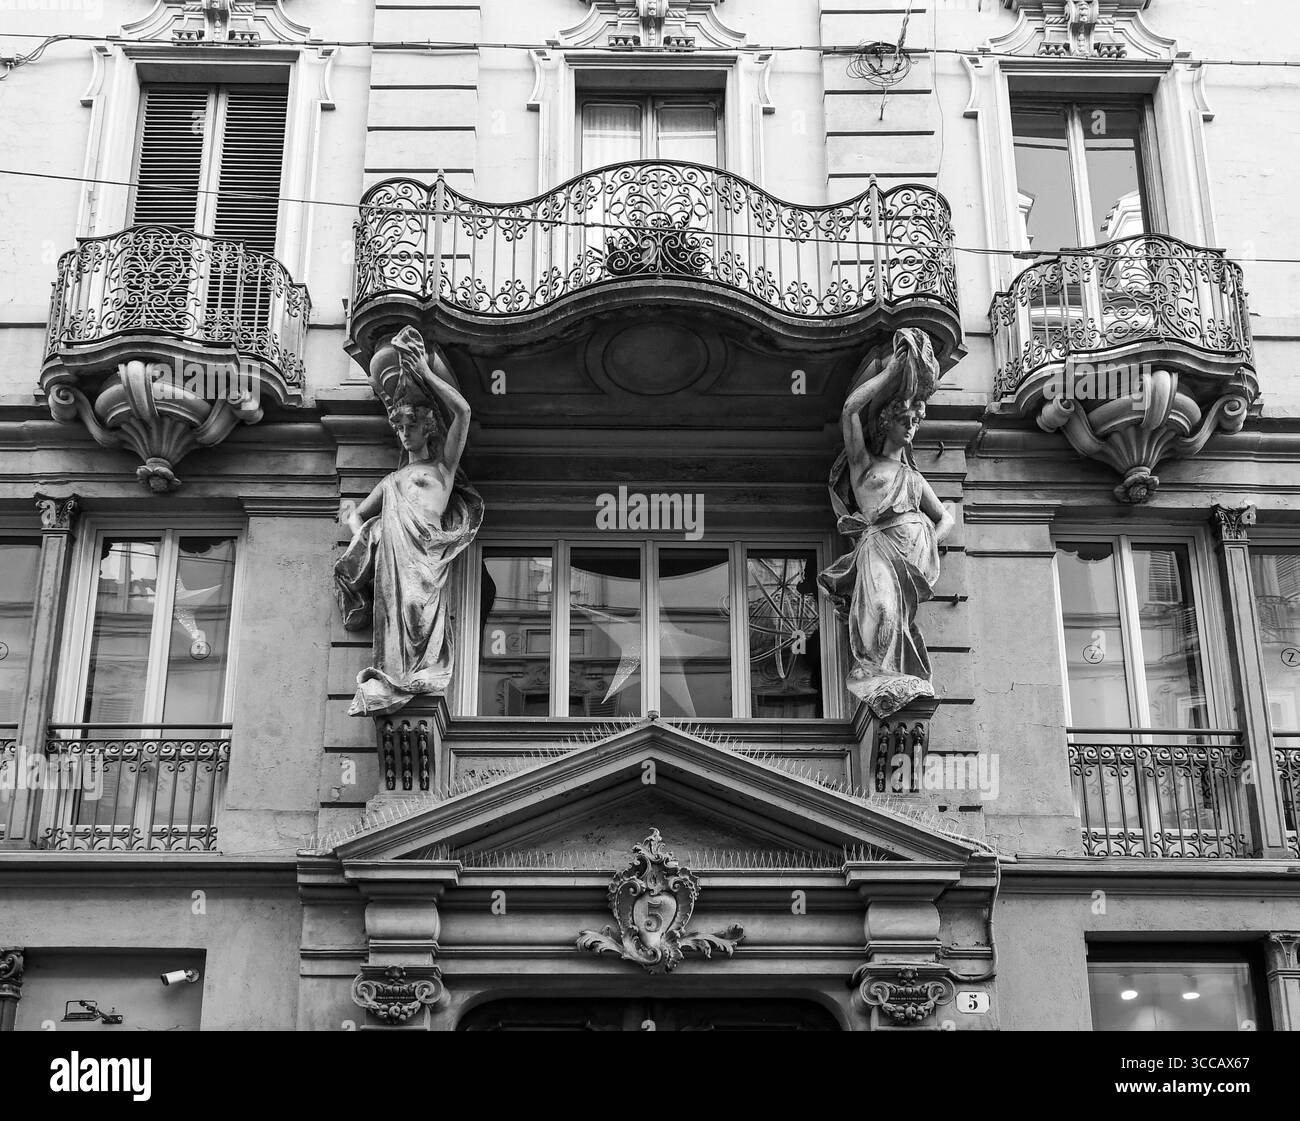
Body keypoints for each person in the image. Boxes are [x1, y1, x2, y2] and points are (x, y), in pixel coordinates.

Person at [335, 327, 485, 716]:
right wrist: (367, 534)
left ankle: (415, 679)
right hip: (394, 556)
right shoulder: (391, 481)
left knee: (418, 611)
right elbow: (356, 514)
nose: (403, 435)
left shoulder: (442, 469)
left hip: (426, 556)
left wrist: (426, 372)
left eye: (410, 426)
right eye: (399, 428)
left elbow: (464, 412)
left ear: (428, 427)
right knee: (394, 617)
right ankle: (390, 681)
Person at [818, 329, 956, 719]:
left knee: (897, 616)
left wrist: (930, 536)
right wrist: (893, 370)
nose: (911, 426)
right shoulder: (864, 465)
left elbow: (945, 518)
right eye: (905, 419)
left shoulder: (913, 476)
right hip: (878, 545)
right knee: (880, 608)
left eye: (915, 420)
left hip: (912, 555)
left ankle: (895, 678)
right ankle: (878, 676)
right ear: (887, 423)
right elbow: (849, 411)